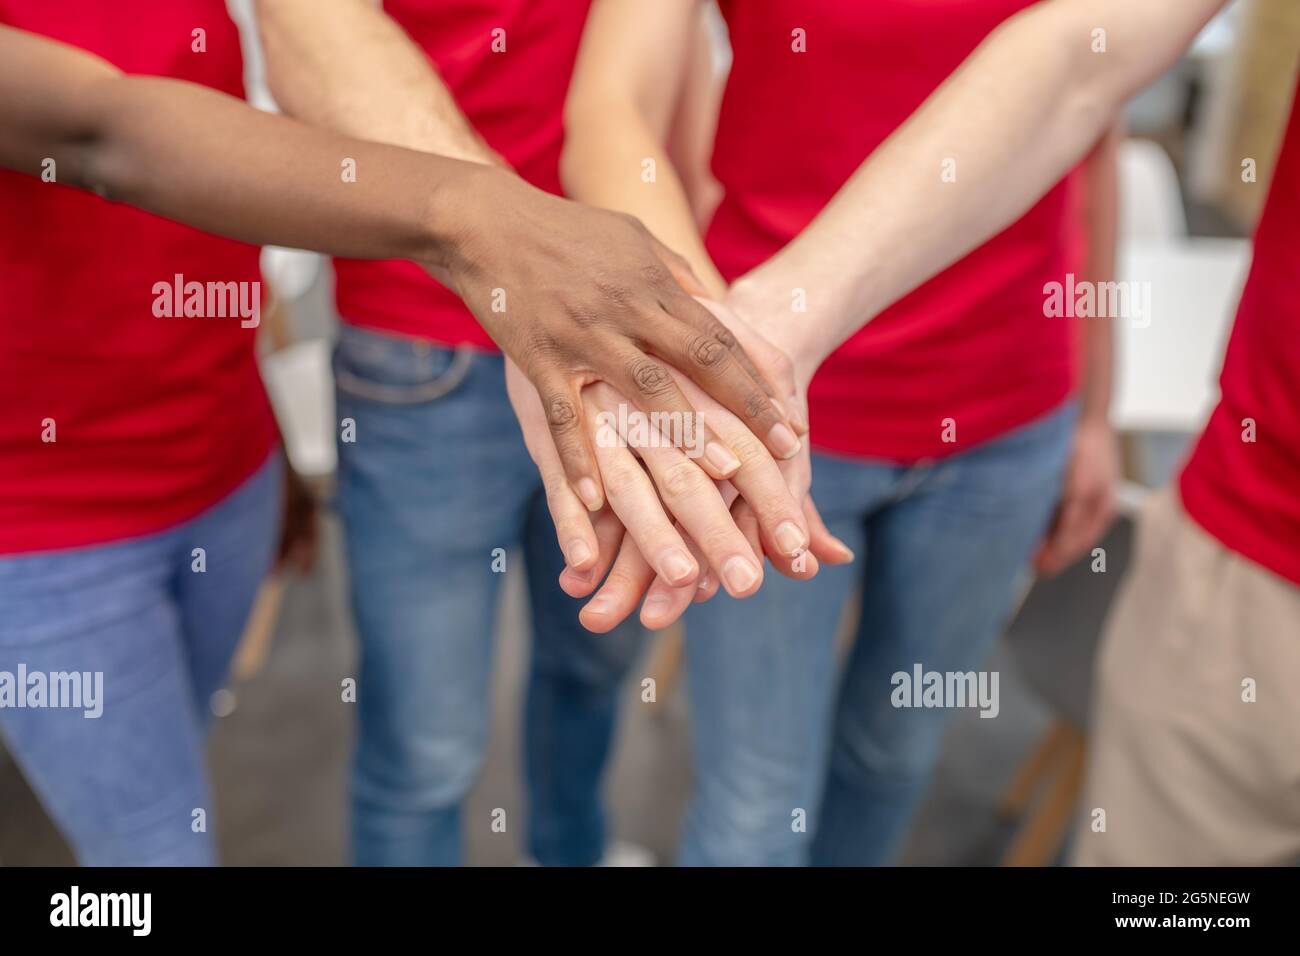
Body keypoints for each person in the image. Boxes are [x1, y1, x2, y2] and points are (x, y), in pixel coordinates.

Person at [0, 0, 795, 865]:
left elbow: (632, 93)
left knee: (588, 670)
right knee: (372, 763)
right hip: (81, 494)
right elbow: (110, 130)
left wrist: (673, 301)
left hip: (220, 450)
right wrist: (492, 232)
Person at [558, 0, 1121, 865]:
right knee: (754, 802)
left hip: (1003, 413)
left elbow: (1092, 116)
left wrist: (1095, 411)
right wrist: (711, 349)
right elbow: (610, 106)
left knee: (893, 756)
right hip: (768, 408)